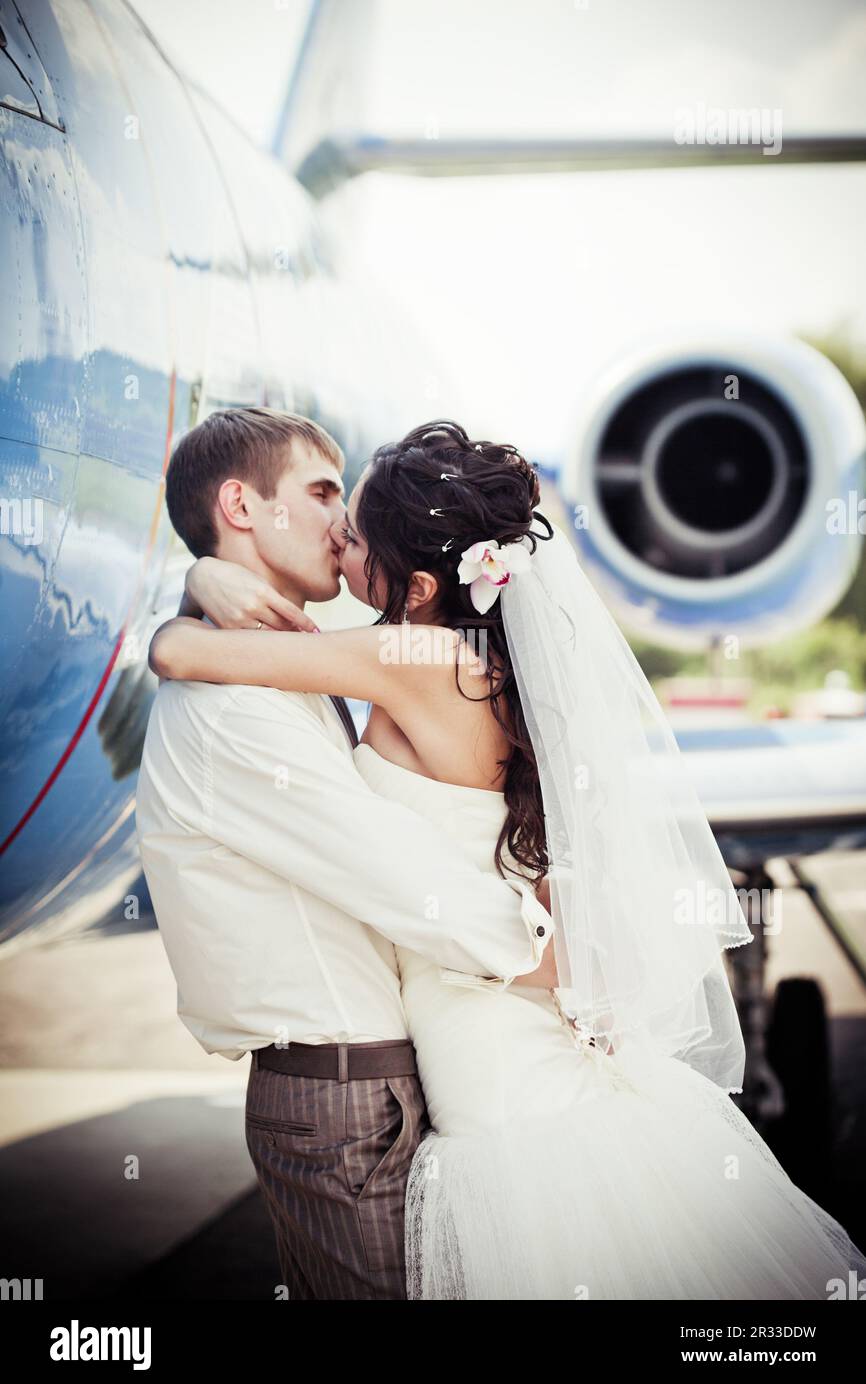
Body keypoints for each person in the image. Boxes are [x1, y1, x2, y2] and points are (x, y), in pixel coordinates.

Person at [150, 417, 866, 1300]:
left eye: (356, 528)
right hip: (503, 1043)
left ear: (415, 585)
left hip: (492, 1069)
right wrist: (207, 568)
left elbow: (183, 653)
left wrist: (194, 589)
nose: (340, 539)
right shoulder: (464, 658)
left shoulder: (403, 655)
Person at [135, 408, 556, 1302]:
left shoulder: (329, 661)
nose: (340, 527)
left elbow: (192, 651)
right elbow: (400, 882)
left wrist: (186, 607)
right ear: (240, 506)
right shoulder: (238, 706)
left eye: (349, 507)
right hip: (347, 1089)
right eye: (323, 493)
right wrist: (552, 957)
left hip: (411, 1066)